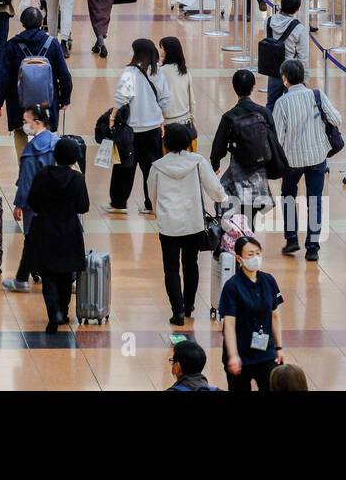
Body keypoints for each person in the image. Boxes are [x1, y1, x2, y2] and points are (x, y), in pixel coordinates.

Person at [147, 123, 227, 325]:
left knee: (171, 269)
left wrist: (159, 214)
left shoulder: (157, 166)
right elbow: (215, 190)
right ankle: (189, 305)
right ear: (189, 143)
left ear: (165, 143)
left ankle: (177, 311)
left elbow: (152, 195)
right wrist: (223, 198)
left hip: (168, 226)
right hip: (193, 223)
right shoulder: (198, 161)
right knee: (191, 264)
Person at [272, 58, 341, 261]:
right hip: (318, 156)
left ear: (285, 80)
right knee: (315, 201)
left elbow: (277, 137)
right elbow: (336, 119)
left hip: (292, 160)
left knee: (288, 195)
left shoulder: (282, 103)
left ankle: (292, 238)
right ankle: (312, 246)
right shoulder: (316, 95)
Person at [24, 137, 89, 331]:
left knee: (48, 274)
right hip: (69, 230)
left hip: (45, 229)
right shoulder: (77, 178)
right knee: (66, 274)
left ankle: (53, 313)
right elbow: (83, 206)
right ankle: (63, 310)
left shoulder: (42, 175)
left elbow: (33, 202)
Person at [0, 6, 73, 160]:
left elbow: (4, 76)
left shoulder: (13, 45)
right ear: (41, 22)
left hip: (19, 103)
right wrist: (65, 98)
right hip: (47, 102)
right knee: (47, 132)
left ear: (22, 23)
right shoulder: (53, 44)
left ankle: (24, 167)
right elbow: (64, 74)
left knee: (20, 132)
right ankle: (45, 165)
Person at [105, 39, 173, 214]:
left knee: (124, 167)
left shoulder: (130, 72)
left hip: (131, 130)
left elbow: (122, 98)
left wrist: (112, 116)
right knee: (152, 168)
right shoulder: (158, 73)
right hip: (153, 130)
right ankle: (151, 203)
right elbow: (165, 100)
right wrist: (162, 121)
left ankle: (118, 203)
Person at [3, 105, 60, 294]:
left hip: (35, 206)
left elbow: (26, 182)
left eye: (26, 121)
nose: (24, 125)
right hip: (56, 204)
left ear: (37, 122)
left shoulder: (31, 150)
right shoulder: (57, 142)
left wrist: (19, 204)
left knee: (32, 240)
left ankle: (22, 279)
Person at [209, 69, 279, 224]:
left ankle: (237, 242)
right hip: (259, 175)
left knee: (231, 213)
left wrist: (215, 164)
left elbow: (218, 146)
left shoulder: (230, 116)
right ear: (253, 87)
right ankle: (249, 243)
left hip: (238, 174)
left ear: (234, 88)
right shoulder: (264, 113)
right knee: (251, 217)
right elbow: (273, 139)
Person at [219, 235, 284, 391]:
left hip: (265, 351)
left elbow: (275, 315)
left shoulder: (269, 281)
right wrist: (233, 355)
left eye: (258, 253)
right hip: (241, 353)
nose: (255, 257)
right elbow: (228, 323)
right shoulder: (232, 286)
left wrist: (279, 347)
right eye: (250, 254)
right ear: (239, 258)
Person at [264, 0, 308, 109]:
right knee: (292, 106)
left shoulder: (268, 22)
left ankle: (270, 126)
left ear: (281, 3)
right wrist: (304, 79)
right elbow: (303, 57)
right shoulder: (299, 28)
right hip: (291, 72)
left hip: (273, 69)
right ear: (297, 8)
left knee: (271, 104)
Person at [159, 36, 196, 130]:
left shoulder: (161, 72)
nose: (160, 51)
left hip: (167, 122)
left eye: (162, 48)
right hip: (185, 120)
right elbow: (191, 99)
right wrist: (193, 119)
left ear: (169, 51)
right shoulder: (185, 71)